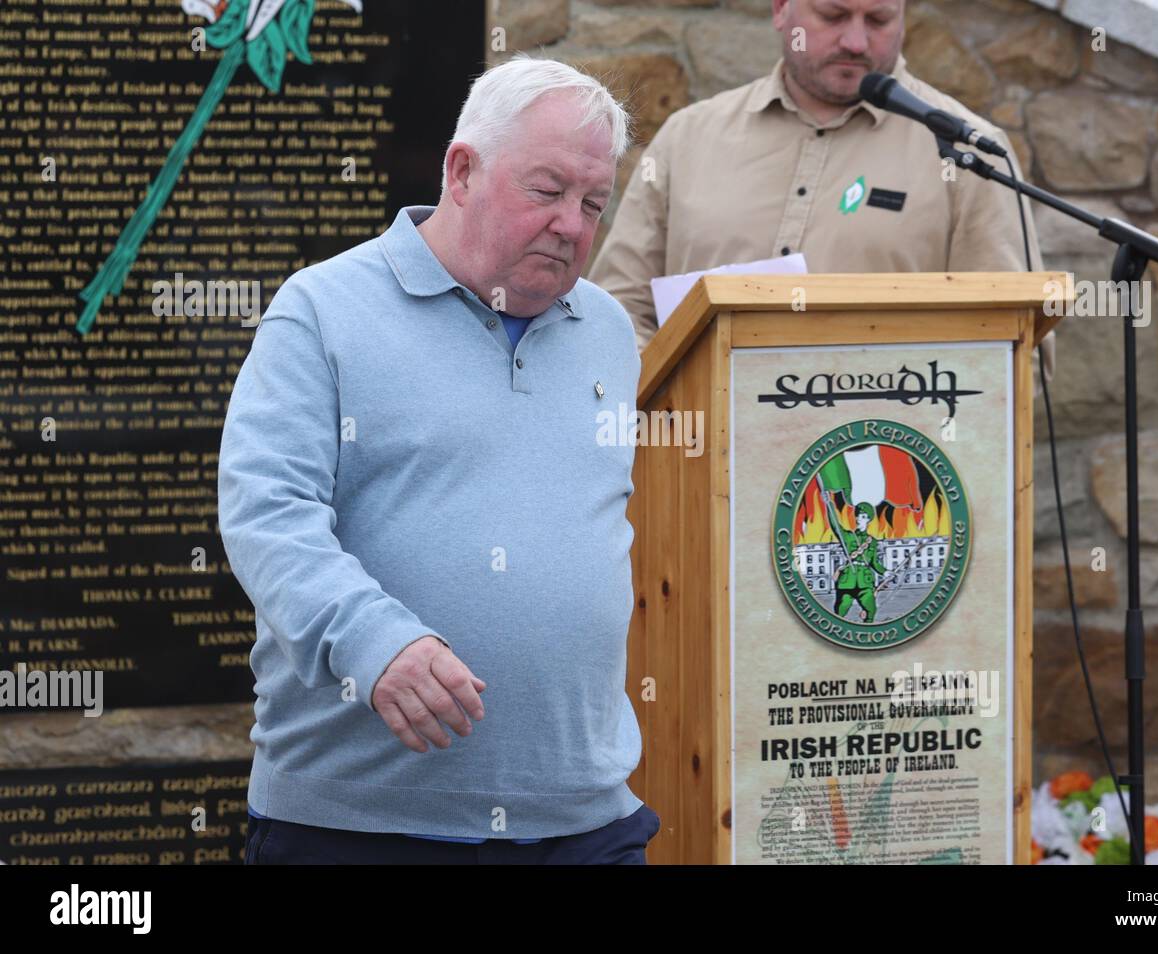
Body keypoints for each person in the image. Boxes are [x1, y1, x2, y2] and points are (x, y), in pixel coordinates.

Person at [218, 54, 660, 864]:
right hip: (363, 826)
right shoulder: (321, 311)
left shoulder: (604, 330)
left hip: (585, 819)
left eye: (594, 202)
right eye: (547, 190)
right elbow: (266, 515)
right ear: (463, 171)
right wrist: (374, 643)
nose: (572, 223)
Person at [588, 0, 1055, 380]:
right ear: (780, 10)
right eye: (833, 16)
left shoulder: (969, 153)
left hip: (886, 473)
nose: (855, 41)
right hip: (696, 464)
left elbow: (1013, 342)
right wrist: (666, 403)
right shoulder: (686, 136)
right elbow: (619, 307)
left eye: (878, 20)